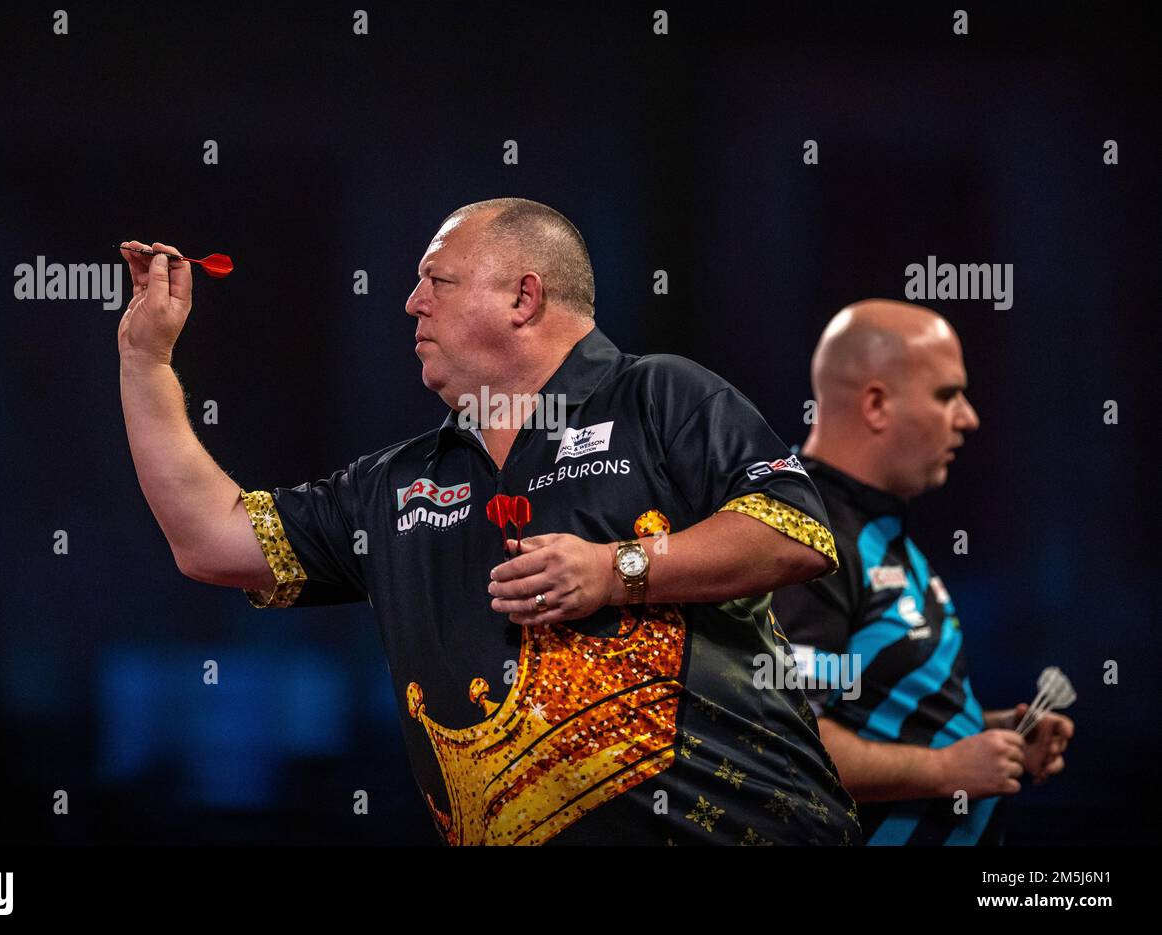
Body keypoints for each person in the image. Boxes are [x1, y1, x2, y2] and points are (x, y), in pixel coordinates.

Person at [117, 198, 859, 845]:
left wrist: (614, 570)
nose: (410, 302)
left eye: (436, 281)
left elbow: (795, 532)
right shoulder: (393, 484)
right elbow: (210, 539)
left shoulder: (659, 395)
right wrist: (144, 359)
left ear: (524, 297)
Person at [770, 299, 1074, 845]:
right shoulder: (806, 536)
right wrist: (945, 771)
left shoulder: (877, 529)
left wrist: (989, 732)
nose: (968, 417)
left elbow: (866, 708)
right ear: (878, 404)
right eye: (946, 395)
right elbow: (782, 738)